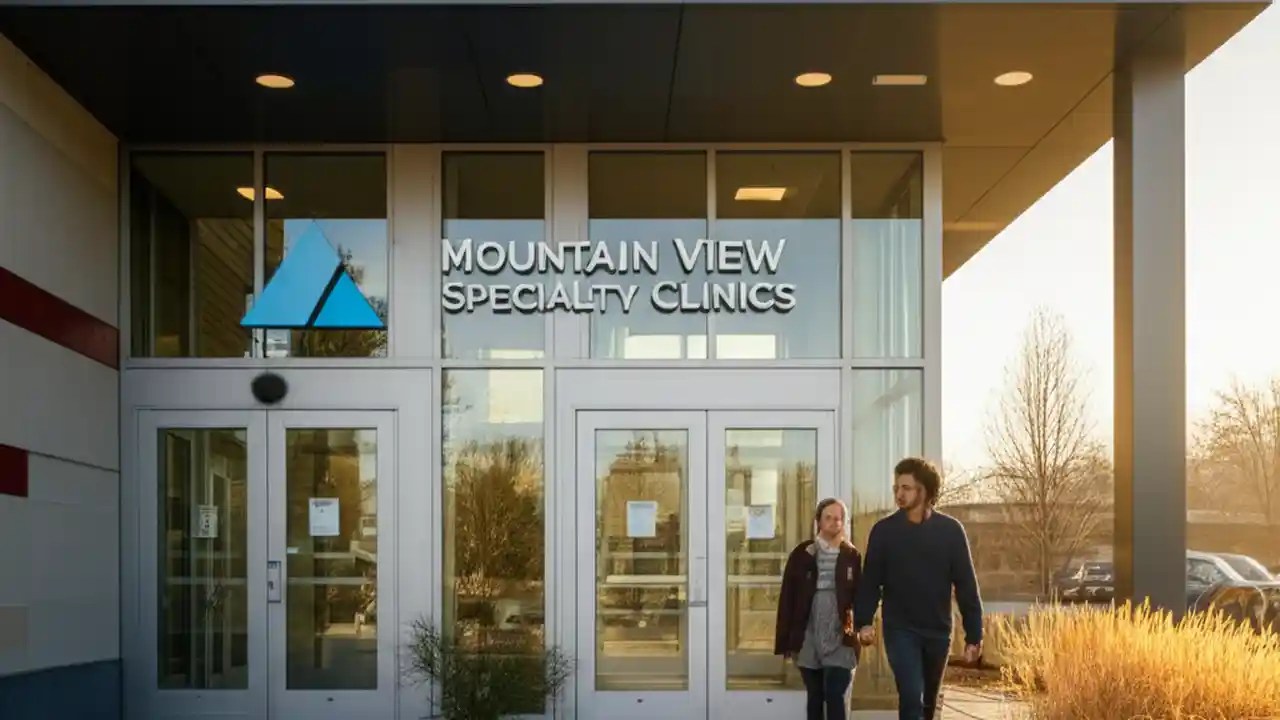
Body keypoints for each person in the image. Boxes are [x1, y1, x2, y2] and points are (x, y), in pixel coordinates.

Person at [852, 457, 983, 720]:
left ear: (923, 491)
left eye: (906, 488)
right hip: (900, 629)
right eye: (896, 488)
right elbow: (871, 581)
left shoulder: (950, 531)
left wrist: (974, 635)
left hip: (938, 630)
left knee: (928, 704)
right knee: (912, 696)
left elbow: (966, 585)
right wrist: (864, 621)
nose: (899, 494)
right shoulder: (884, 532)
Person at [774, 497, 863, 720]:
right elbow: (788, 598)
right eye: (828, 517)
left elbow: (860, 594)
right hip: (809, 634)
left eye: (838, 518)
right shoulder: (803, 554)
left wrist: (861, 627)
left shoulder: (851, 555)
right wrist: (786, 640)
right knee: (815, 695)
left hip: (840, 635)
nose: (834, 522)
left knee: (835, 694)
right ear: (819, 521)